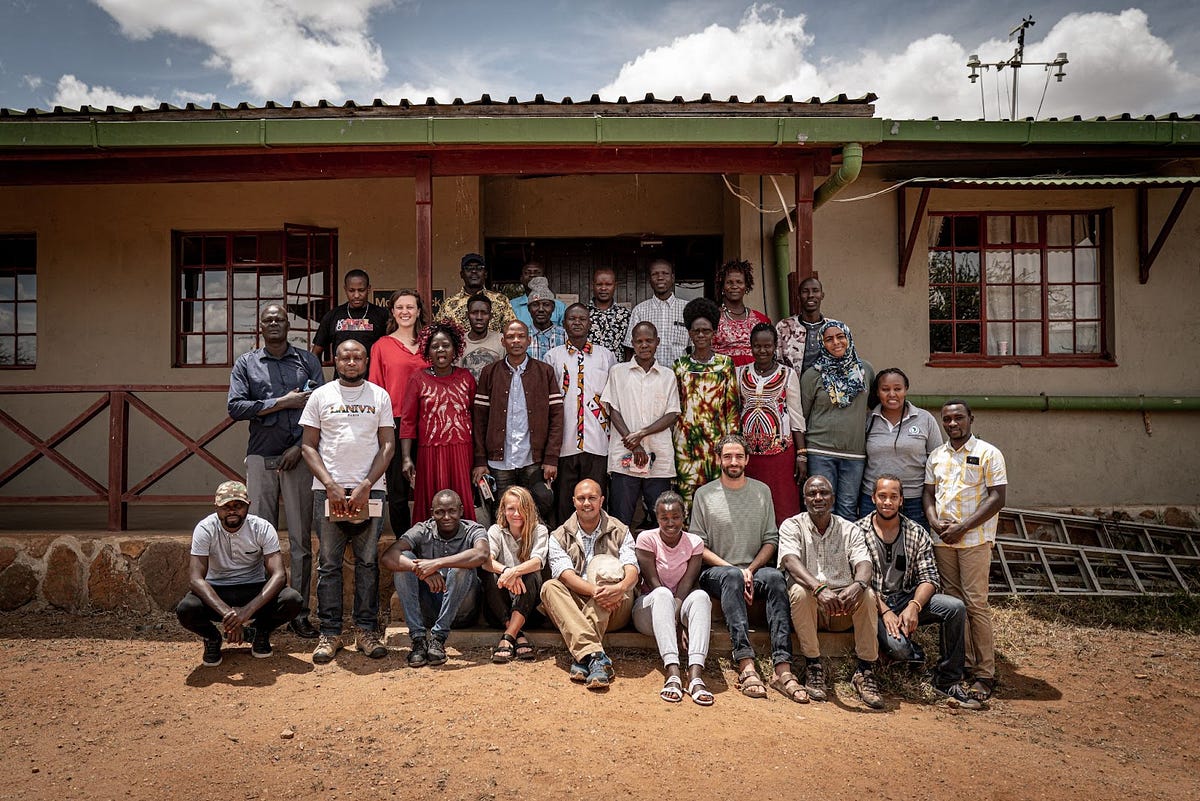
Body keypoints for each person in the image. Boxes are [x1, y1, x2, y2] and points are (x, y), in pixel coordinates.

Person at [227, 303, 325, 639]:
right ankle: (260, 615)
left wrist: (300, 447)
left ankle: (298, 611)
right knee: (258, 540)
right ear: (261, 326)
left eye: (279, 319)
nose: (273, 323)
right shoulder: (247, 363)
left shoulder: (306, 361)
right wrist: (281, 403)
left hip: (298, 459)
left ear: (288, 325)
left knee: (300, 541)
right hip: (260, 458)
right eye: (268, 319)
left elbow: (319, 407)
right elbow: (236, 407)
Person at [299, 339, 394, 664]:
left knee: (368, 563)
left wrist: (367, 483)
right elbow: (308, 446)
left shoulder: (379, 395)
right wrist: (329, 484)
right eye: (345, 357)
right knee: (329, 564)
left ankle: (366, 631)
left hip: (371, 491)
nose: (351, 362)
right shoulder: (320, 396)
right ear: (335, 361)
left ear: (366, 361)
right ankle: (330, 633)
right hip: (328, 492)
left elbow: (387, 446)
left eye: (357, 357)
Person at [858, 475, 981, 710]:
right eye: (882, 496)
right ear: (873, 498)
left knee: (955, 608)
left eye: (893, 497)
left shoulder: (916, 532)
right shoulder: (857, 531)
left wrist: (913, 606)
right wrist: (884, 612)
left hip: (906, 598)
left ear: (902, 500)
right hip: (874, 603)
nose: (887, 502)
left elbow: (930, 578)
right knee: (899, 649)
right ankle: (913, 654)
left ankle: (948, 680)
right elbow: (859, 583)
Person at [690, 435, 796, 702]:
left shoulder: (762, 492)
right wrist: (735, 570)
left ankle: (782, 668)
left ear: (748, 459)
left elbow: (771, 539)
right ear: (718, 459)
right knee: (730, 577)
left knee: (774, 577)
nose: (733, 461)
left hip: (755, 568)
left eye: (739, 456)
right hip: (717, 572)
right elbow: (698, 546)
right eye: (727, 456)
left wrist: (751, 568)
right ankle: (745, 662)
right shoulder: (704, 494)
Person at [923, 400, 1008, 704]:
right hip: (944, 541)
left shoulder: (988, 453)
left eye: (958, 417)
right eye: (946, 419)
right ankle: (965, 663)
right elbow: (929, 494)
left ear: (971, 418)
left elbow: (998, 497)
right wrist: (934, 523)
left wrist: (964, 527)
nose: (952, 423)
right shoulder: (936, 456)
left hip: (974, 541)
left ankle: (985, 673)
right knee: (954, 604)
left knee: (975, 604)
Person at [779, 475, 883, 709]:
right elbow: (789, 560)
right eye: (812, 494)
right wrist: (818, 588)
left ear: (833, 498)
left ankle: (865, 671)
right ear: (804, 499)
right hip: (812, 608)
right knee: (798, 591)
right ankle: (813, 665)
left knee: (867, 595)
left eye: (823, 493)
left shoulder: (849, 529)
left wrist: (858, 585)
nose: (818, 498)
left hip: (842, 608)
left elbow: (864, 563)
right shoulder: (792, 525)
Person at [176, 481, 303, 666]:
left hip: (253, 588)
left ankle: (261, 632)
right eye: (226, 506)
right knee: (186, 609)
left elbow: (279, 575)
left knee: (292, 600)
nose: (232, 511)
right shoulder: (205, 528)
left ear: (248, 505)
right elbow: (196, 579)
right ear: (216, 507)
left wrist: (245, 613)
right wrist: (230, 615)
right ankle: (212, 638)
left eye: (238, 505)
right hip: (217, 590)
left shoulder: (262, 527)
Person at [540, 479, 639, 690]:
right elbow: (564, 575)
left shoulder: (620, 530)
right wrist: (596, 592)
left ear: (601, 500)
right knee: (550, 587)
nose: (587, 503)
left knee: (607, 574)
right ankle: (594, 656)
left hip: (615, 605)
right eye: (582, 498)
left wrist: (618, 588)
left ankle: (583, 656)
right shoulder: (559, 535)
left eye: (592, 498)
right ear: (573, 501)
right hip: (578, 606)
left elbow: (632, 569)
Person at [382, 490, 489, 667]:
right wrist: (421, 570)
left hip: (463, 612)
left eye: (452, 511)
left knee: (461, 568)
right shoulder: (423, 529)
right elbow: (388, 556)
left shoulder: (474, 529)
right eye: (440, 512)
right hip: (428, 611)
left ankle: (438, 638)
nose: (446, 516)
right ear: (432, 513)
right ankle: (418, 639)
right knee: (403, 561)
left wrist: (436, 564)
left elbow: (482, 554)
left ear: (461, 511)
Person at [472, 320, 564, 527]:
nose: (516, 341)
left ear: (529, 340)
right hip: (499, 460)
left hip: (533, 458)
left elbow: (556, 417)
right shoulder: (490, 372)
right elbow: (479, 420)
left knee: (538, 509)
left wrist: (551, 458)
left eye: (521, 336)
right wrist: (480, 460)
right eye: (511, 337)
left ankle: (533, 554)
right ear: (503, 341)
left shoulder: (544, 372)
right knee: (503, 514)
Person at [633, 491, 714, 705]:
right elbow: (653, 583)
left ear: (684, 516)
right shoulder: (646, 539)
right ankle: (672, 671)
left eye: (676, 517)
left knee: (700, 597)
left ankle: (695, 674)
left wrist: (677, 622)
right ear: (657, 518)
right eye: (664, 518)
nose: (670, 523)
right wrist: (678, 626)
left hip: (678, 605)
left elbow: (685, 586)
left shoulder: (694, 542)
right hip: (648, 610)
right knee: (662, 594)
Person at [602, 321, 680, 529]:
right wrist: (634, 443)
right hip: (625, 456)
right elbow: (613, 410)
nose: (644, 345)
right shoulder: (618, 371)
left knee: (662, 518)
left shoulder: (667, 375)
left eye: (649, 341)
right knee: (621, 518)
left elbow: (672, 414)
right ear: (632, 344)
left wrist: (642, 434)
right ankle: (621, 560)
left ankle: (661, 560)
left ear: (657, 342)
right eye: (639, 341)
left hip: (658, 456)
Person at [544, 303, 616, 524]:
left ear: (589, 323)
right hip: (565, 441)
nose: (577, 322)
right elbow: (548, 402)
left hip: (597, 441)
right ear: (564, 323)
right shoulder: (552, 357)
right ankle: (566, 547)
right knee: (565, 501)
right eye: (572, 318)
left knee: (595, 498)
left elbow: (612, 398)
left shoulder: (606, 356)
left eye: (582, 318)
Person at [400, 320, 477, 523]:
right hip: (430, 453)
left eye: (446, 345)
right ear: (427, 351)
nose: (441, 350)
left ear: (455, 349)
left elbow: (476, 418)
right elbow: (408, 421)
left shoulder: (466, 378)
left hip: (462, 451)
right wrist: (407, 457)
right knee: (430, 502)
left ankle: (465, 547)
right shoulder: (417, 379)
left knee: (460, 500)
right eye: (434, 346)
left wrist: (479, 458)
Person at [800, 320, 874, 520]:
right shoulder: (813, 375)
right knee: (822, 509)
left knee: (848, 509)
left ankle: (846, 552)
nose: (836, 342)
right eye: (829, 339)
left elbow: (873, 406)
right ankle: (821, 552)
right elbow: (802, 416)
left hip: (855, 454)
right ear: (822, 343)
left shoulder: (865, 371)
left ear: (849, 338)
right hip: (820, 451)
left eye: (840, 337)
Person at [369, 289, 428, 537]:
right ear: (392, 311)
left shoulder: (429, 343)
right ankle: (405, 540)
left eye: (410, 307)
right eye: (400, 307)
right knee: (398, 489)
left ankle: (429, 537)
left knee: (427, 483)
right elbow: (375, 388)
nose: (405, 312)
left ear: (418, 311)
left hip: (428, 420)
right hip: (394, 420)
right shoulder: (382, 346)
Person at [672, 297, 739, 512]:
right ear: (689, 333)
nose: (701, 335)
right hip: (686, 445)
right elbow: (674, 407)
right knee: (687, 501)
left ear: (714, 332)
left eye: (706, 331)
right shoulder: (679, 366)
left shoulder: (725, 364)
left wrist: (731, 445)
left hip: (716, 444)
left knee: (718, 500)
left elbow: (731, 408)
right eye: (696, 331)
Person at [737, 322, 805, 525]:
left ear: (775, 346)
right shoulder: (739, 373)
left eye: (767, 346)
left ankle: (783, 550)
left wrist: (801, 455)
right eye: (757, 346)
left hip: (780, 453)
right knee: (751, 504)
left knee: (782, 503)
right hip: (749, 455)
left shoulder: (787, 374)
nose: (762, 350)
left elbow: (796, 415)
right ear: (751, 346)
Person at [859, 367, 943, 529]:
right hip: (875, 500)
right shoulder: (868, 421)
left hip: (915, 500)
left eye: (897, 389)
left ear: (906, 390)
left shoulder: (924, 419)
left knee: (915, 550)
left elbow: (938, 462)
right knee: (870, 550)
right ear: (877, 392)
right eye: (885, 389)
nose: (892, 394)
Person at [480, 486, 549, 663]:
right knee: (492, 575)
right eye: (511, 508)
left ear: (529, 509)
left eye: (521, 508)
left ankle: (508, 636)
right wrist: (505, 572)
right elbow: (486, 560)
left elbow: (537, 562)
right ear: (503, 510)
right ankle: (517, 634)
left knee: (532, 575)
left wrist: (515, 572)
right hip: (498, 610)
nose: (516, 513)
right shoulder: (495, 530)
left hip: (530, 611)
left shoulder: (539, 530)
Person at [311, 269, 389, 360]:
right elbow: (316, 352)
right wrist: (317, 374)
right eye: (351, 290)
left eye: (361, 290)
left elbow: (392, 351)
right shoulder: (332, 316)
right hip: (341, 374)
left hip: (373, 374)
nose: (356, 295)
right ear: (345, 289)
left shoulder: (382, 315)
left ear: (368, 289)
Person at [623, 258, 688, 367]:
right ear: (649, 280)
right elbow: (630, 348)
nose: (660, 277)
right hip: (647, 377)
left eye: (665, 273)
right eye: (655, 274)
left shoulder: (686, 309)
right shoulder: (640, 310)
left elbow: (693, 348)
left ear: (672, 278)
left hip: (679, 376)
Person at [713, 259, 770, 366]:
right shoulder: (713, 317)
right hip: (722, 376)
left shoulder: (761, 320)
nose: (734, 286)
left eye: (739, 282)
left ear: (746, 286)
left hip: (754, 377)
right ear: (722, 287)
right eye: (729, 282)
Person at [440, 253, 515, 334]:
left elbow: (512, 331)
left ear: (485, 274)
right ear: (461, 274)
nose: (474, 271)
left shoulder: (501, 301)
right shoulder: (449, 304)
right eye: (468, 268)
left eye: (479, 268)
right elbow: (440, 333)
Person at [775, 276, 828, 374]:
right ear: (798, 297)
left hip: (826, 386)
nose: (810, 295)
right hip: (793, 385)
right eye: (805, 291)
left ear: (822, 295)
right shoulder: (784, 327)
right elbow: (776, 362)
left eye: (815, 290)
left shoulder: (833, 327)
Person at [586, 267, 631, 358]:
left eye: (608, 284)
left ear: (615, 285)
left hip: (617, 369)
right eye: (599, 284)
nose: (603, 288)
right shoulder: (583, 313)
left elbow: (629, 348)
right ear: (592, 285)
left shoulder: (625, 315)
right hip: (588, 369)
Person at [457, 294, 504, 380]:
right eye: (474, 313)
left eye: (484, 313)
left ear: (491, 316)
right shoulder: (458, 342)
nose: (479, 317)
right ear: (467, 315)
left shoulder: (502, 340)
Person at [511, 261, 566, 329]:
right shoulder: (511, 305)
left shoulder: (560, 306)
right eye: (527, 272)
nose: (532, 275)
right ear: (521, 278)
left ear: (544, 277)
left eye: (537, 272)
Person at [524, 277, 567, 362]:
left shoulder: (565, 335)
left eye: (546, 304)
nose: (540, 309)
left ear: (553, 308)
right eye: (535, 305)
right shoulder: (522, 336)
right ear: (529, 309)